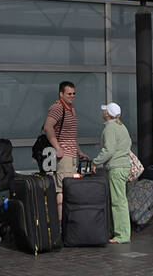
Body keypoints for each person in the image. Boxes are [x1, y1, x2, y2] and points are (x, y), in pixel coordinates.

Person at [44, 81, 90, 223]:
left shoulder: (71, 108)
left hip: (70, 155)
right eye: (69, 93)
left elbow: (71, 135)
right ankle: (61, 224)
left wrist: (79, 151)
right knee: (62, 189)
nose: (72, 96)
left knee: (68, 188)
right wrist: (58, 147)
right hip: (62, 156)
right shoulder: (58, 108)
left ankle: (67, 222)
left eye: (73, 93)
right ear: (61, 94)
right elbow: (48, 127)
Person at [91, 103, 131, 244]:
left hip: (116, 167)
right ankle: (120, 232)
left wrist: (95, 162)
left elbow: (109, 150)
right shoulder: (122, 126)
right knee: (121, 200)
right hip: (124, 166)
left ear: (108, 114)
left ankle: (122, 235)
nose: (103, 113)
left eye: (105, 111)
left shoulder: (110, 128)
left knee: (118, 202)